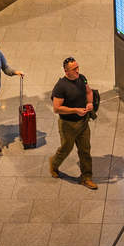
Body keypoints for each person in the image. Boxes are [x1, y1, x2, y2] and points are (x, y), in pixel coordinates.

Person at [49, 56, 98, 189]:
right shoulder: (60, 87)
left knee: (85, 150)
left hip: (83, 122)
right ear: (66, 71)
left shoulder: (82, 78)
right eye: (74, 69)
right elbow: (57, 108)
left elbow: (89, 91)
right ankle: (54, 164)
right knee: (66, 149)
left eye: (78, 67)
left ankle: (86, 177)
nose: (77, 70)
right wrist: (75, 110)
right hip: (67, 125)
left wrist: (89, 103)